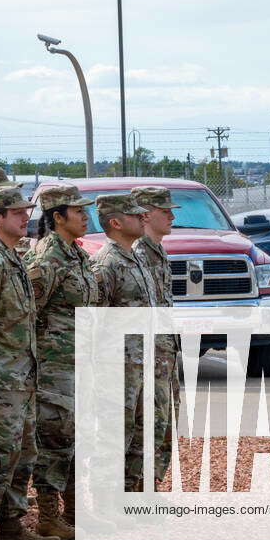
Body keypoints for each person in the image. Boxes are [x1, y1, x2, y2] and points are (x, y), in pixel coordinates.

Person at [0, 186, 62, 540]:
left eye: (27, 211)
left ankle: (11, 526)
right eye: (18, 212)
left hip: (20, 379)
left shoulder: (13, 259)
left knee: (21, 457)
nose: (26, 217)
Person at [23, 185, 98, 540]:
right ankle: (49, 516)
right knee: (54, 438)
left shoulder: (76, 255)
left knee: (77, 437)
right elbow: (29, 311)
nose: (86, 217)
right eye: (79, 211)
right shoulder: (47, 259)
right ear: (58, 217)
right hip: (54, 367)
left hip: (78, 363)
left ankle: (74, 512)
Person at [90, 194, 158, 491]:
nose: (143, 218)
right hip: (117, 366)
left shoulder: (136, 257)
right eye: (134, 215)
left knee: (139, 435)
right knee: (113, 436)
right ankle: (106, 500)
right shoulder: (106, 263)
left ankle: (129, 497)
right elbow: (96, 319)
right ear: (116, 223)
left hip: (140, 362)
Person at [130, 186, 181, 486]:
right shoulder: (138, 255)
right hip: (147, 356)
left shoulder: (158, 252)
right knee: (148, 424)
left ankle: (149, 486)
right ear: (146, 215)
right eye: (165, 211)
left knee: (165, 422)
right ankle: (139, 489)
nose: (172, 217)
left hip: (165, 352)